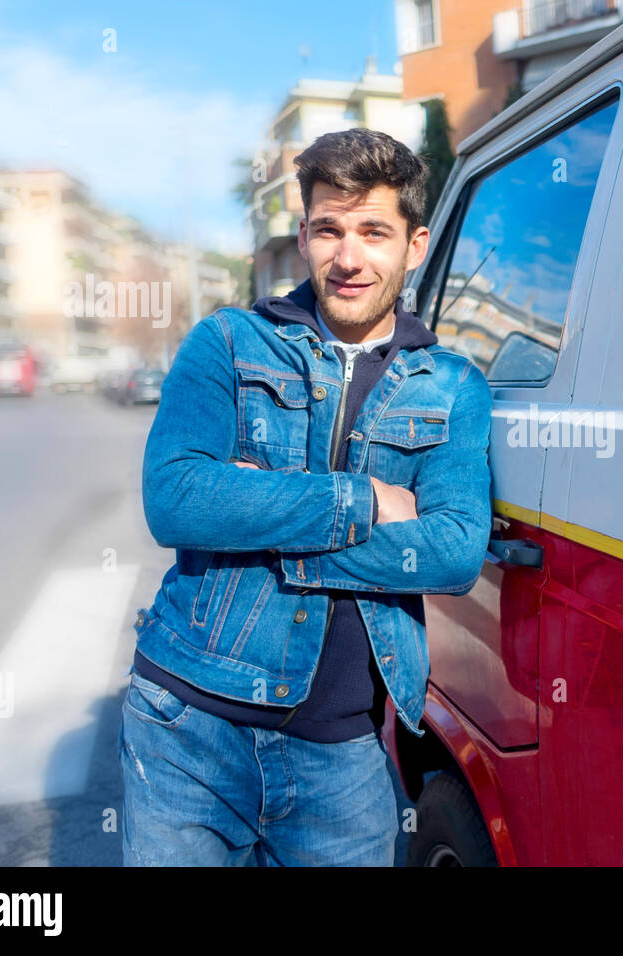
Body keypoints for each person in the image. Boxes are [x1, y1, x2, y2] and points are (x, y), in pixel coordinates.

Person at [119, 128, 492, 866]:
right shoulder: (228, 341)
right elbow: (175, 498)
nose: (348, 258)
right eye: (329, 229)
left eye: (373, 232)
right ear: (303, 236)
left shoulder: (453, 385)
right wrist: (356, 503)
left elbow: (451, 553)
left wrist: (257, 516)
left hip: (342, 755)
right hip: (185, 730)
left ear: (415, 245)